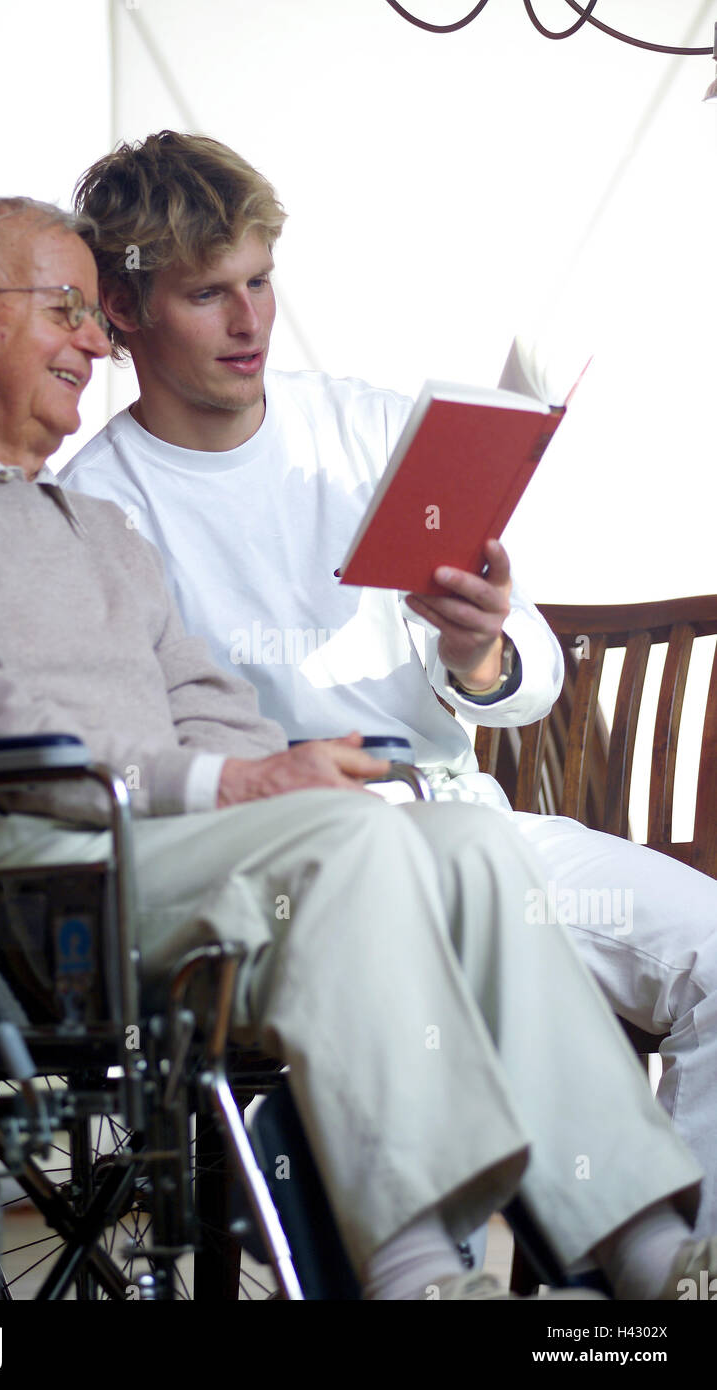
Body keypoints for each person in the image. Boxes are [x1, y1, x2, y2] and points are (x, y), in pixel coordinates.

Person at [0, 196, 712, 1304]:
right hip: (18, 872)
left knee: (459, 841)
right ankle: (413, 1277)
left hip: (163, 851)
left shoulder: (91, 531)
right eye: (65, 310)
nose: (96, 343)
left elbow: (209, 704)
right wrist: (242, 782)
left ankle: (645, 1256)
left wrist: (283, 769)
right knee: (351, 846)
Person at [62, 131, 717, 1236]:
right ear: (123, 313)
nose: (250, 320)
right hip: (312, 872)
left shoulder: (366, 427)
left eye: (262, 281)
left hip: (468, 828)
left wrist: (480, 652)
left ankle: (685, 1275)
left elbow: (532, 677)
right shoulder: (101, 506)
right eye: (207, 293)